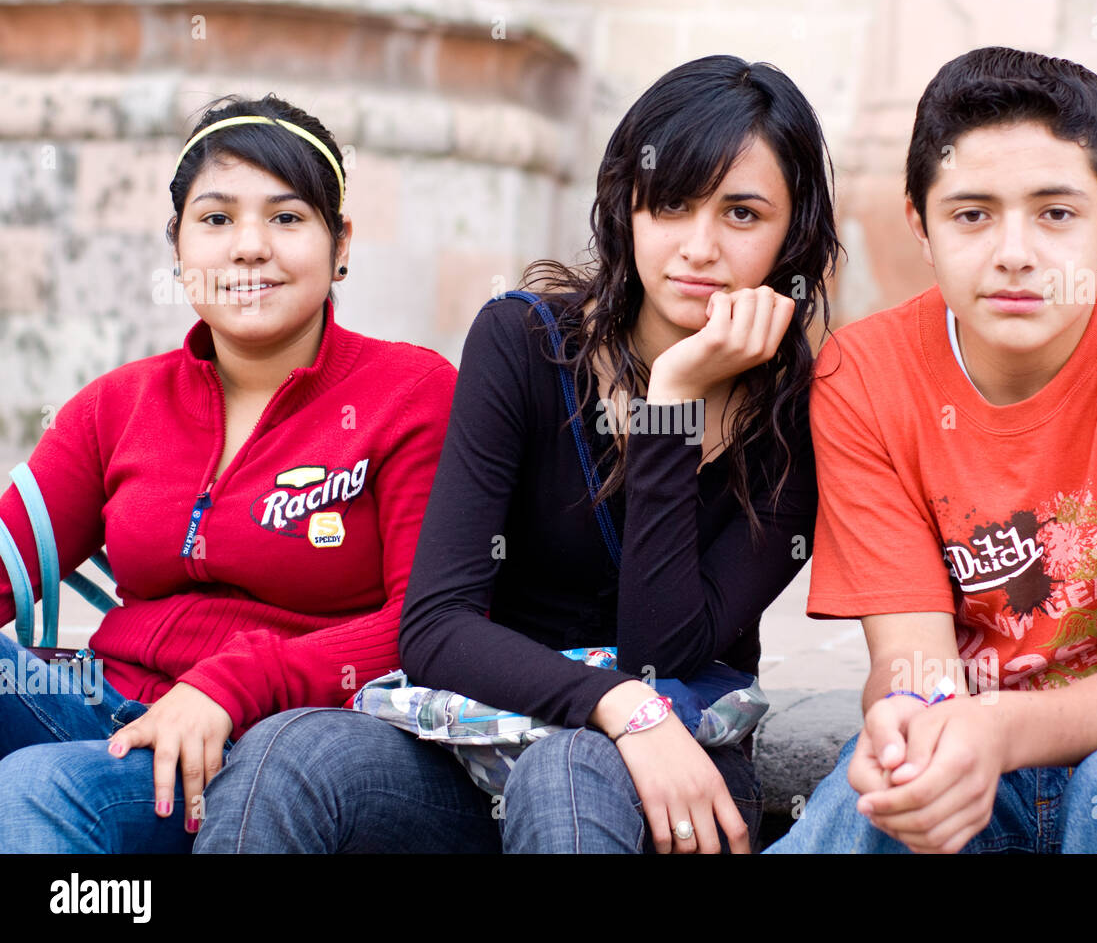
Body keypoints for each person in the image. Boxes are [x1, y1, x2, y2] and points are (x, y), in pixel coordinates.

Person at [194, 54, 840, 854]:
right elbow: (435, 626)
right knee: (286, 755)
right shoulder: (525, 343)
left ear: (792, 233)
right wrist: (614, 705)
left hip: (682, 762)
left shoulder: (798, 420)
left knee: (567, 770)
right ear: (627, 203)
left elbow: (662, 653)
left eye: (742, 214)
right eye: (672, 203)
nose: (699, 247)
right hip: (485, 742)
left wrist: (671, 401)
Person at [767, 46, 1097, 855]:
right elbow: (912, 659)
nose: (1015, 252)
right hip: (972, 746)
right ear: (921, 226)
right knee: (867, 803)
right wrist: (909, 721)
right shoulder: (864, 375)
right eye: (972, 214)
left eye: (1056, 213)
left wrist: (993, 729)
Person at [0, 94, 457, 852]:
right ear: (178, 244)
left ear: (340, 242)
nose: (249, 247)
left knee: (39, 788)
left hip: (272, 753)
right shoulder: (119, 405)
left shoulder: (409, 393)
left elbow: (428, 623)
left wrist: (232, 682)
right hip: (104, 711)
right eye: (216, 219)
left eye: (287, 218)